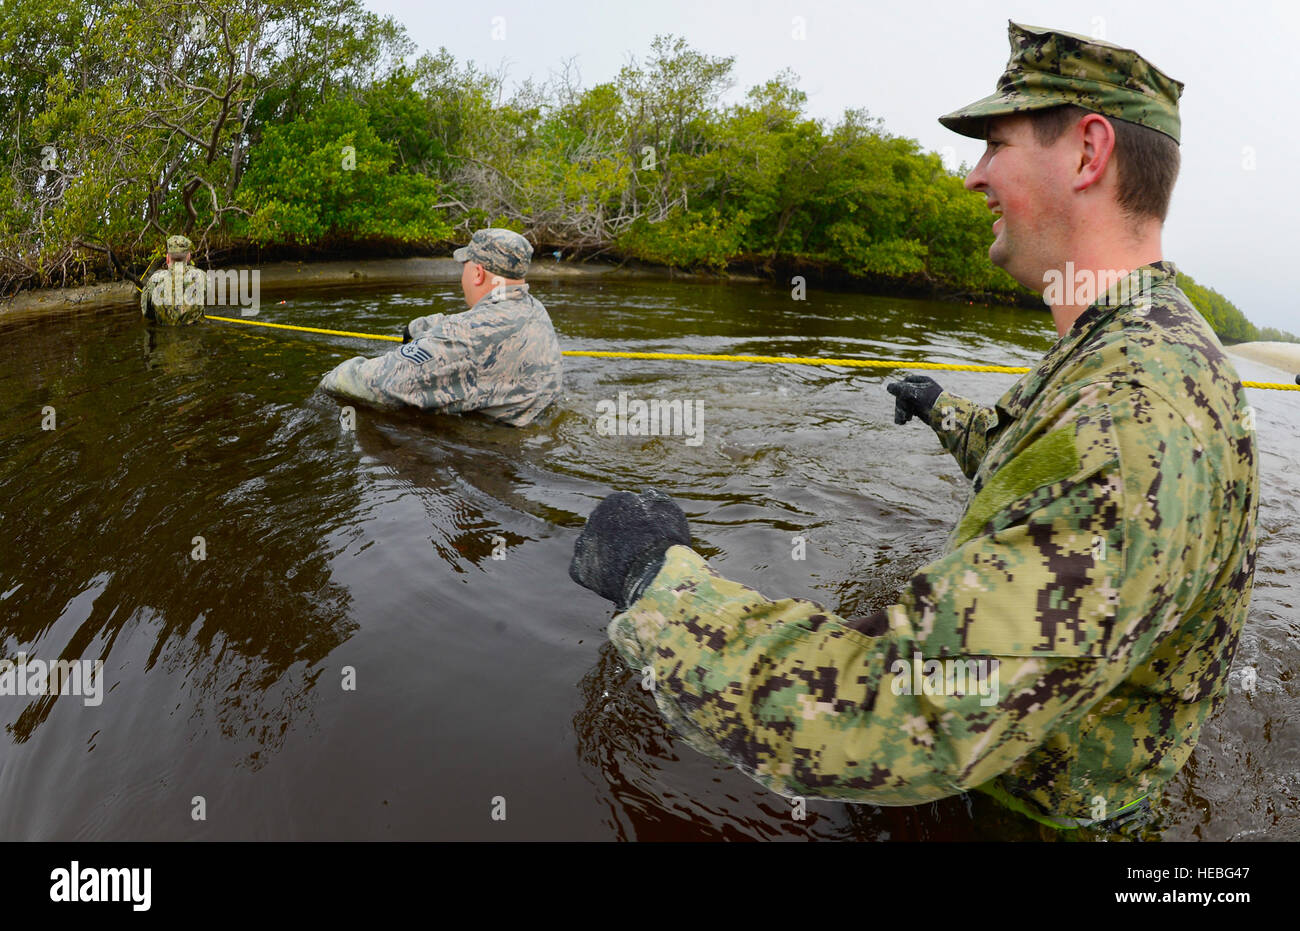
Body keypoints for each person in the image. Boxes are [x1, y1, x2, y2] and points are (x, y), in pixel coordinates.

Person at [568, 22, 1259, 836]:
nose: (974, 178)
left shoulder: (1137, 410)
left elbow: (896, 715)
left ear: (1087, 153)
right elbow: (1041, 471)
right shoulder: (1134, 349)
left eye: (994, 143)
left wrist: (658, 582)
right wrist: (942, 411)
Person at [318, 228, 563, 427]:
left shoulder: (463, 335)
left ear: (477, 273)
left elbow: (366, 383)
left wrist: (329, 377)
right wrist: (422, 327)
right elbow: (482, 324)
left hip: (489, 455)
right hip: (534, 433)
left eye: (464, 265)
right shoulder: (535, 310)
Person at [140, 235, 206, 326]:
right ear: (188, 257)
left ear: (167, 258)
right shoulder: (201, 276)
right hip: (193, 335)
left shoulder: (154, 280)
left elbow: (147, 313)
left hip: (164, 335)